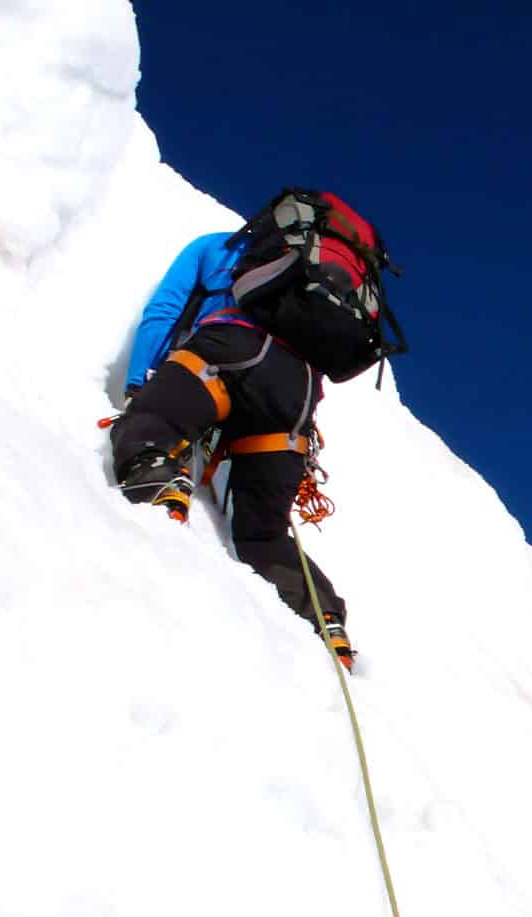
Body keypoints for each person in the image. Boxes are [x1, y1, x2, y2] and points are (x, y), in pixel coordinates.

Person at [109, 227, 354, 667]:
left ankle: (158, 480)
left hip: (233, 347)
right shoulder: (318, 282)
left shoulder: (218, 246)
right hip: (296, 396)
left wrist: (138, 386)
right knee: (264, 534)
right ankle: (325, 619)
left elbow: (165, 309)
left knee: (154, 422)